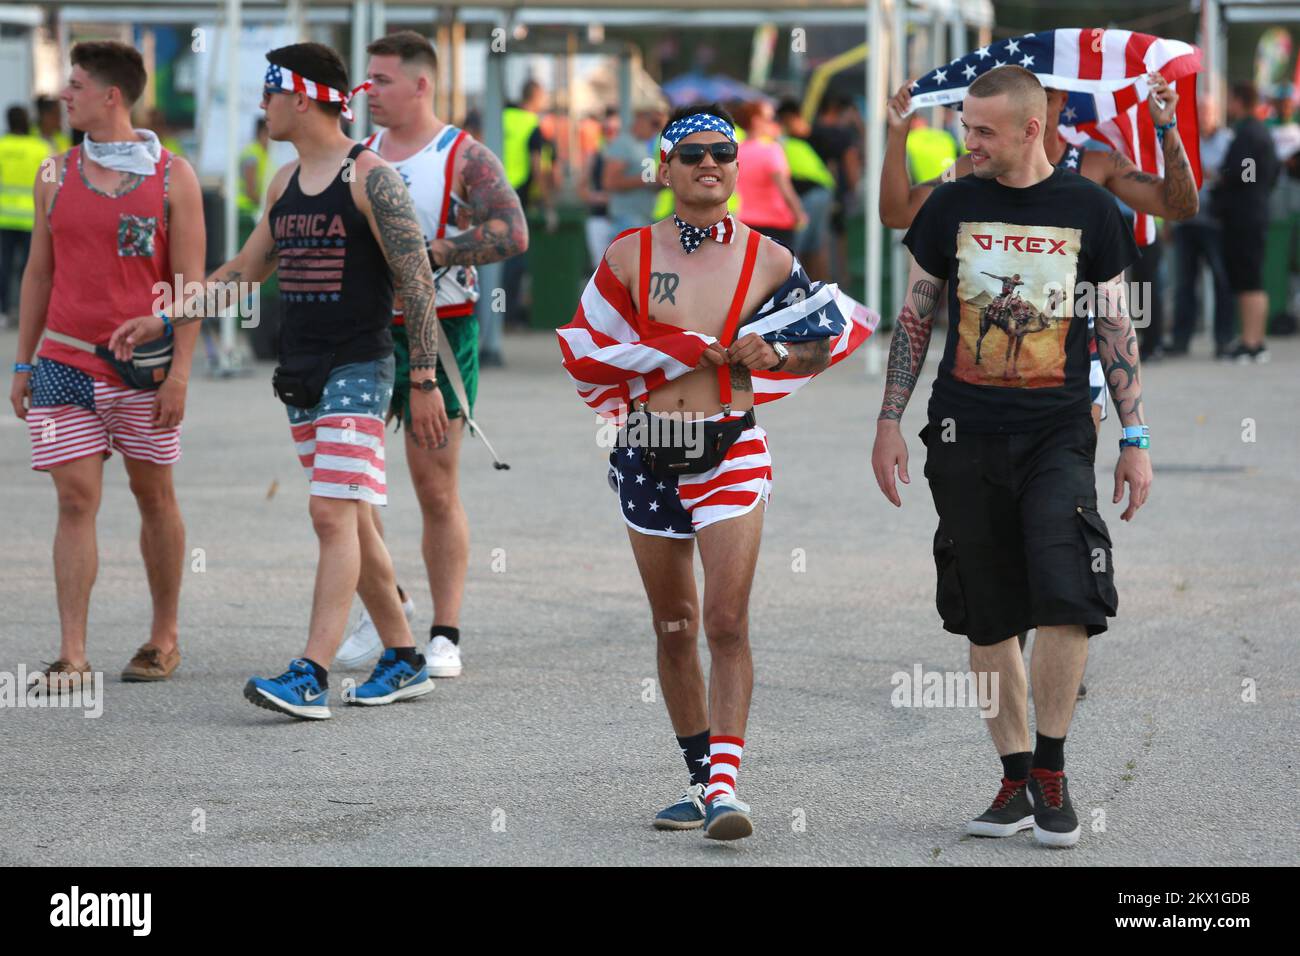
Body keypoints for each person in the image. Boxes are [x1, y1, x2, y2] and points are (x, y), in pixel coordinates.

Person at [557, 102, 875, 840]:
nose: (711, 163)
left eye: (725, 153)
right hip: (646, 450)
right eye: (694, 152)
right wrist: (663, 355)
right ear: (663, 167)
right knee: (676, 627)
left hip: (731, 445)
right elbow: (587, 348)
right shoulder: (627, 256)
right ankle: (700, 778)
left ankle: (728, 789)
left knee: (726, 622)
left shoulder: (770, 257)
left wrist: (776, 355)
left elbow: (820, 338)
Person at [110, 41, 450, 720]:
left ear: (301, 98)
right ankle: (405, 657)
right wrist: (164, 317)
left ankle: (310, 674)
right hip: (300, 370)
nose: (261, 107)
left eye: (268, 95)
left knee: (328, 513)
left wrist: (422, 377)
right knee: (352, 516)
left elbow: (416, 278)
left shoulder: (370, 177)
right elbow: (243, 271)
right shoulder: (284, 183)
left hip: (361, 362)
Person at [871, 66, 1150, 848]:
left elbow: (1117, 331)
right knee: (986, 611)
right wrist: (889, 420)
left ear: (1032, 129)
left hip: (1059, 431)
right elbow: (916, 316)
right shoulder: (950, 206)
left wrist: (1135, 438)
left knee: (1070, 594)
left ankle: (1052, 773)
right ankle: (1015, 778)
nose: (970, 143)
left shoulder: (1090, 208)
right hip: (962, 432)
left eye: (984, 131)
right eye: (967, 128)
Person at [9, 41, 205, 691]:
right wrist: (21, 363)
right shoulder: (53, 174)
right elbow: (39, 272)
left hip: (144, 370)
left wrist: (178, 373)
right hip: (64, 360)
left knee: (154, 496)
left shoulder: (171, 176)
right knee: (74, 499)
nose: (65, 95)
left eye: (76, 85)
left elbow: (192, 285)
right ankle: (72, 654)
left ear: (111, 96)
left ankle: (163, 636)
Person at [332, 30, 527, 678]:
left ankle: (445, 631)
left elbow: (511, 231)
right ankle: (387, 607)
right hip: (363, 330)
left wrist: (432, 253)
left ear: (421, 84)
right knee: (350, 488)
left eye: (382, 81)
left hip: (441, 329)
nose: (369, 92)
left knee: (434, 486)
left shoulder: (462, 155)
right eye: (367, 80)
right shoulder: (358, 155)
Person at [1213, 82, 1281, 363]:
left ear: (1240, 101)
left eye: (1229, 98)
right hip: (1253, 213)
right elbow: (1271, 172)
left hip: (1245, 217)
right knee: (1249, 280)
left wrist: (1227, 180)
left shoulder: (1249, 134)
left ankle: (1252, 342)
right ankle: (1253, 340)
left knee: (1248, 280)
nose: (1227, 103)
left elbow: (1246, 172)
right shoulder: (1260, 132)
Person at [492, 79, 553, 361]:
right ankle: (508, 320)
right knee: (514, 262)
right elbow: (538, 167)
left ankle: (493, 319)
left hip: (491, 193)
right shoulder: (532, 125)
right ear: (536, 96)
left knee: (492, 261)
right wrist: (547, 205)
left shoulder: (500, 115)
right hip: (516, 198)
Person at [1171, 97, 1235, 357]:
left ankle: (1223, 339)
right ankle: (1180, 339)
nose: (1203, 118)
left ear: (1216, 114)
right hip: (1187, 221)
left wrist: (1216, 176)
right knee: (1185, 283)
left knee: (1222, 281)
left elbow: (1242, 173)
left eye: (1207, 113)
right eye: (1199, 113)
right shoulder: (1185, 139)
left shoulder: (1229, 140)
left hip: (1215, 222)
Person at [0, 106, 51, 325]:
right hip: (33, 218)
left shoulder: (2, 146)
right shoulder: (41, 148)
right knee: (32, 268)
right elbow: (51, 182)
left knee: (4, 265)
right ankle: (26, 311)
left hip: (4, 217)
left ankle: (3, 311)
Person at [775, 99, 835, 280]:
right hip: (821, 191)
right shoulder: (800, 140)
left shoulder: (783, 142)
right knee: (815, 246)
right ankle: (817, 289)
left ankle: (806, 288)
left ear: (787, 118)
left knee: (799, 247)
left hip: (810, 194)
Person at [735, 100, 805, 249]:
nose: (776, 124)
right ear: (756, 121)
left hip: (746, 222)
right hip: (777, 223)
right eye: (771, 119)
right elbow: (785, 190)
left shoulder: (736, 151)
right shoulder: (771, 150)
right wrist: (799, 214)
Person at [603, 104, 664, 236]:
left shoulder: (643, 145)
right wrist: (648, 180)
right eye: (654, 124)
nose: (657, 129)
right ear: (641, 120)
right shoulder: (623, 143)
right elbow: (610, 182)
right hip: (627, 219)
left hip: (644, 218)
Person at [580, 107, 619, 268]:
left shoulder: (633, 155)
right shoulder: (595, 155)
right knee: (602, 270)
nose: (611, 134)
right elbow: (581, 187)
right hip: (599, 219)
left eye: (616, 130)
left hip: (623, 218)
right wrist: (596, 197)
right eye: (607, 130)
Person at [238, 117, 271, 233]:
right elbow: (250, 191)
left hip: (254, 211)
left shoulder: (263, 154)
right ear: (262, 133)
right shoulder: (252, 154)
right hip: (245, 213)